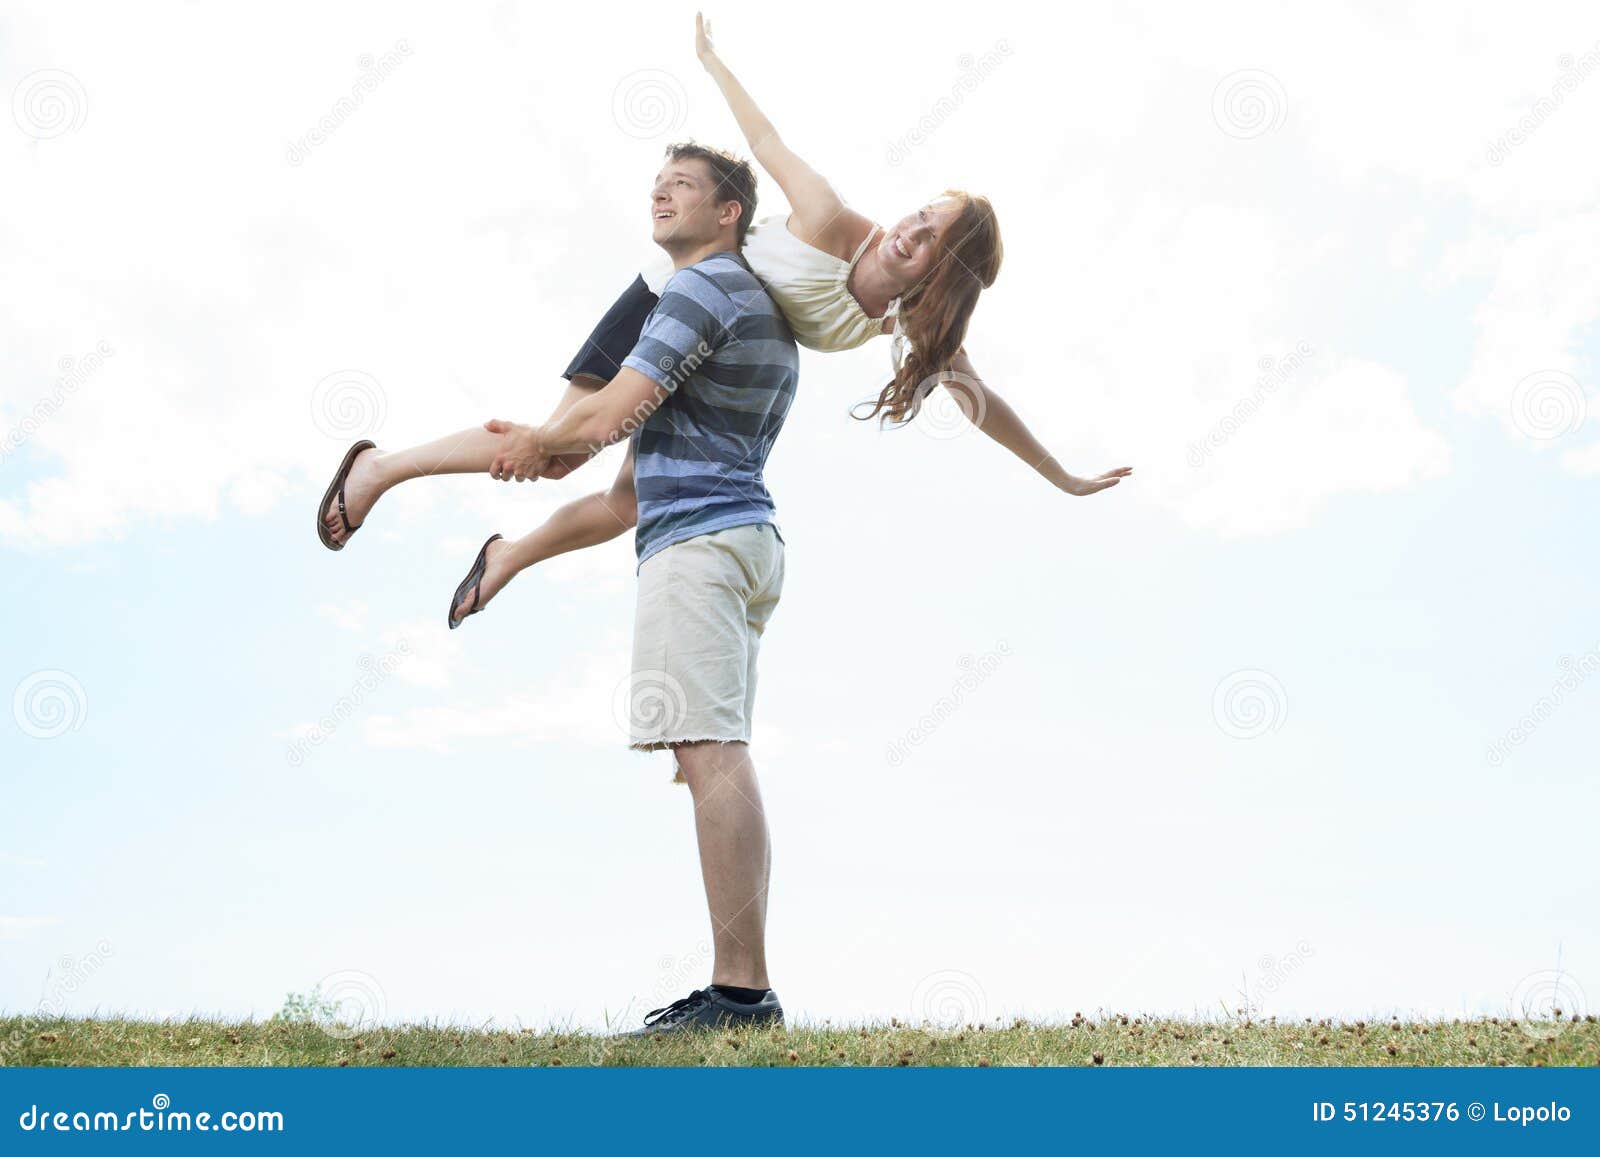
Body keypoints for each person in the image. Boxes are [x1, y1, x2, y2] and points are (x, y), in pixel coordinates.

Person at [314, 13, 1131, 629]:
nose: (907, 230)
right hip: (670, 300)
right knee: (563, 444)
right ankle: (381, 467)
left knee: (628, 501)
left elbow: (982, 406)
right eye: (921, 210)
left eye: (931, 238)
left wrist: (1062, 475)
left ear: (943, 278)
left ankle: (511, 553)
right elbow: (766, 138)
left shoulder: (914, 326)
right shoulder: (827, 218)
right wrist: (711, 60)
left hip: (719, 340)